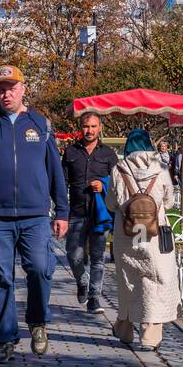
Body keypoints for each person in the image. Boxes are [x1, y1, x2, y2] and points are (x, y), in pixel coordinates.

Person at [0, 64, 68, 362]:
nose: (5, 93)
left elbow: (54, 171)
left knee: (39, 268)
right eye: (0, 88)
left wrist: (62, 211)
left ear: (23, 89)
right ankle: (6, 336)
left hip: (35, 216)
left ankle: (37, 322)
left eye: (11, 87)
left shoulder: (40, 124)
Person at [106, 128, 178, 351]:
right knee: (153, 282)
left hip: (127, 236)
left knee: (129, 281)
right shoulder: (161, 169)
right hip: (154, 235)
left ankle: (125, 328)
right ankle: (149, 336)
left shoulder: (118, 170)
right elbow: (169, 202)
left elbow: (111, 203)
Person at [61, 110, 117, 315]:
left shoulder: (108, 154)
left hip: (100, 215)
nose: (89, 130)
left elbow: (117, 183)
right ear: (80, 128)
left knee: (97, 258)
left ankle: (94, 297)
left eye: (93, 126)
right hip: (76, 212)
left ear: (99, 128)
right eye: (86, 126)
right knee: (74, 255)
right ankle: (82, 282)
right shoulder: (70, 153)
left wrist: (104, 185)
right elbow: (62, 183)